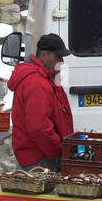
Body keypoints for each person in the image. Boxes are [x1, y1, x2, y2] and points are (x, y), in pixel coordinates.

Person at [8, 33, 74, 172]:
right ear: (43, 55)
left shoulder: (46, 79)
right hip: (40, 158)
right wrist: (59, 150)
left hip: (40, 155)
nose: (61, 61)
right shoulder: (38, 83)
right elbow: (39, 128)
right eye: (57, 56)